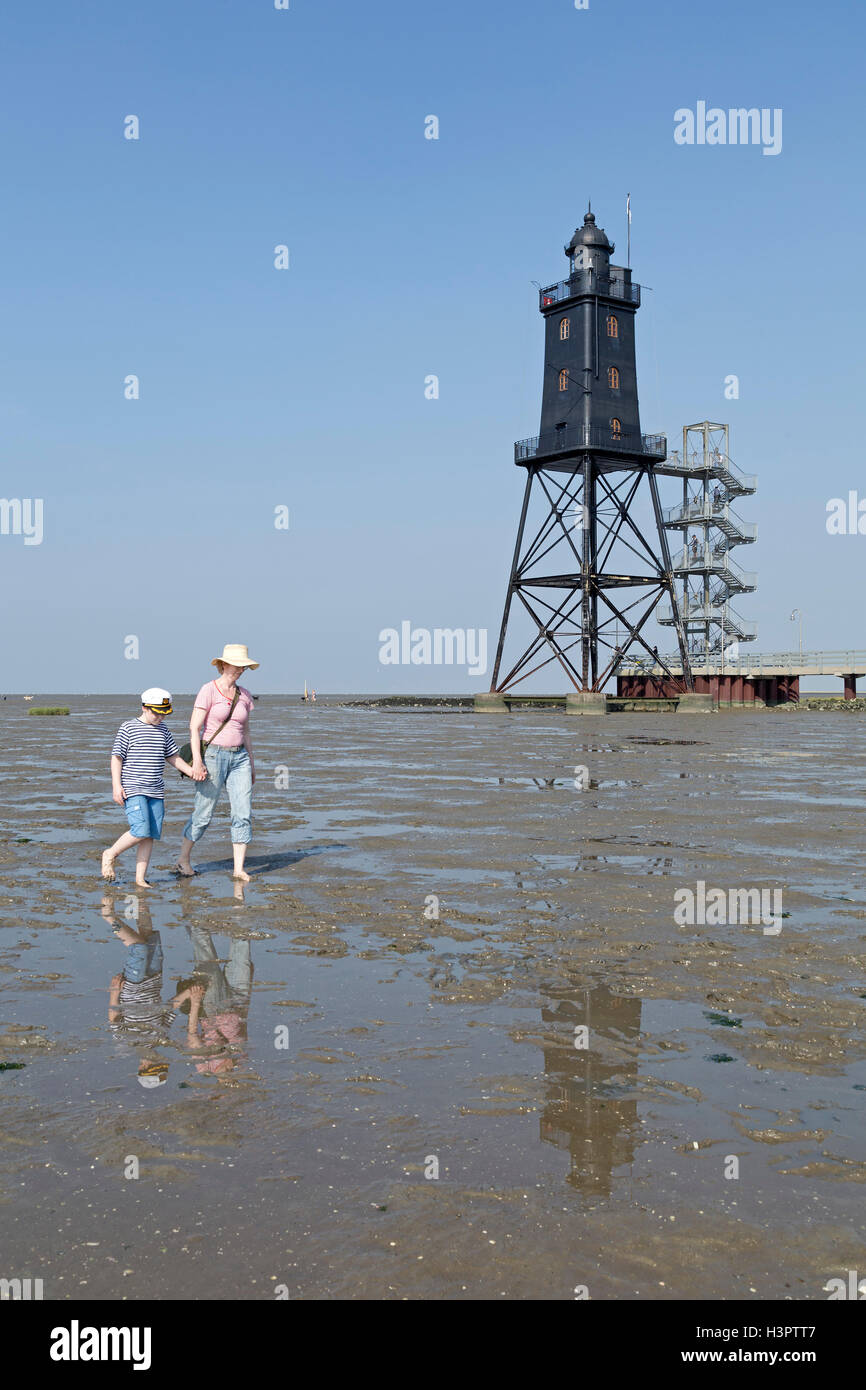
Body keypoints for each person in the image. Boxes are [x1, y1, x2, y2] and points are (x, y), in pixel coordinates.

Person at [176, 644, 259, 882]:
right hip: (212, 756)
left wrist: (252, 763)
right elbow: (194, 728)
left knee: (243, 812)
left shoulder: (244, 694)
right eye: (237, 665)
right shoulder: (208, 690)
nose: (241, 670)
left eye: (244, 666)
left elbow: (246, 731)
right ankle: (183, 859)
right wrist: (198, 763)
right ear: (223, 665)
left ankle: (238, 869)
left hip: (240, 757)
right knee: (204, 814)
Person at [102, 688, 198, 886]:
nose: (160, 717)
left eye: (164, 713)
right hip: (133, 788)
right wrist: (116, 785)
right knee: (140, 829)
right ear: (144, 707)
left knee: (150, 834)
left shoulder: (163, 730)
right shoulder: (128, 728)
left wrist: (191, 771)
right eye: (156, 712)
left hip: (155, 790)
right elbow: (116, 757)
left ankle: (139, 878)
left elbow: (173, 757)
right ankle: (110, 854)